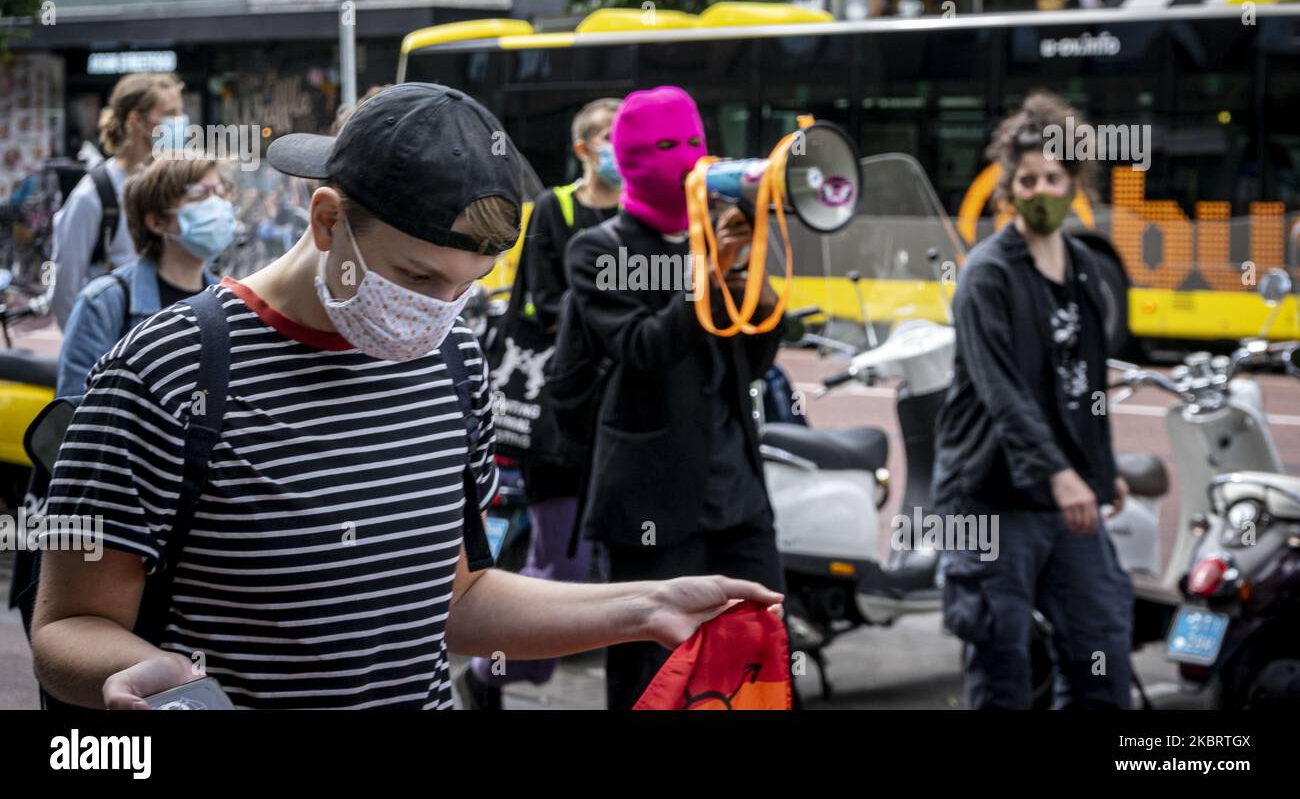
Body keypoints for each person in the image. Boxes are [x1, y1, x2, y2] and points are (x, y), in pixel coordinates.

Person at [30, 82, 781, 710]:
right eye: (420, 278)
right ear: (327, 220)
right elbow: (66, 625)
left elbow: (454, 600)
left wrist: (643, 607)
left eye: (469, 286)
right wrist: (131, 674)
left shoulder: (454, 355)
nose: (440, 309)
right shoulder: (166, 370)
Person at [566, 85, 787, 710]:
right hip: (653, 500)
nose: (688, 158)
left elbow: (753, 362)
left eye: (695, 142)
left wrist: (755, 288)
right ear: (633, 158)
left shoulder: (715, 234)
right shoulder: (599, 248)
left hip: (738, 492)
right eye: (668, 146)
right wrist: (708, 271)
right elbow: (642, 347)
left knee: (755, 656)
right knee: (654, 673)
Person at [933, 91, 1133, 710]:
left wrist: (1100, 471)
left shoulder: (1084, 270)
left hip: (1063, 499)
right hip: (990, 496)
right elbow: (1004, 395)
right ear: (1007, 188)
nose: (1040, 189)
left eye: (1053, 177)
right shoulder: (987, 274)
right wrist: (1062, 475)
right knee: (1002, 668)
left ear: (1075, 184)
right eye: (1027, 179)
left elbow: (1085, 388)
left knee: (1100, 649)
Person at [460, 97, 622, 709]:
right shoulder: (555, 208)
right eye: (604, 135)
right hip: (564, 426)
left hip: (622, 424)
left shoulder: (646, 217)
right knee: (565, 570)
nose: (616, 146)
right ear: (582, 148)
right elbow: (539, 303)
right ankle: (487, 675)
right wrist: (615, 328)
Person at [56, 153, 231, 398]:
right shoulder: (102, 304)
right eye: (198, 195)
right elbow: (75, 416)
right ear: (156, 222)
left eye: (220, 194)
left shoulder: (227, 302)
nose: (218, 208)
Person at [51, 73, 185, 328]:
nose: (180, 122)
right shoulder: (92, 194)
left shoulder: (175, 183)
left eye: (181, 112)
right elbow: (64, 287)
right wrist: (89, 350)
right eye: (170, 113)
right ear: (136, 120)